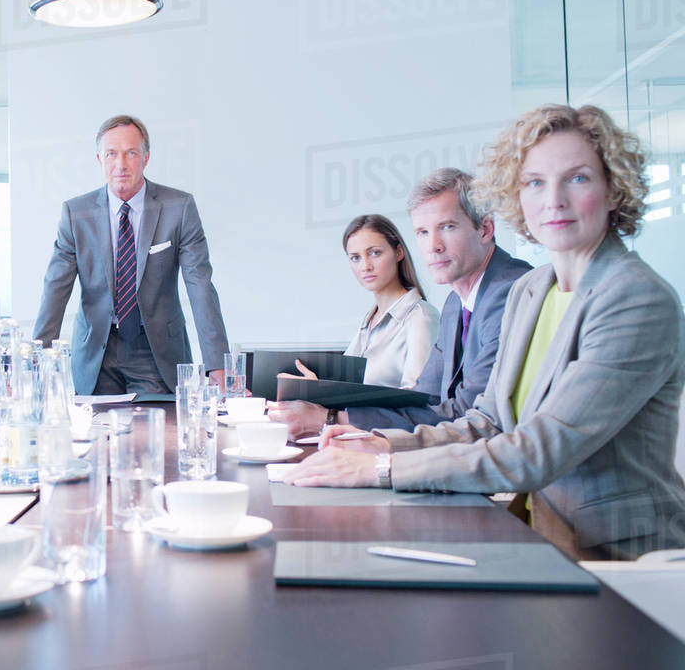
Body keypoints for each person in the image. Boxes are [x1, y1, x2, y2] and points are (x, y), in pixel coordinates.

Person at [282, 105, 685, 560]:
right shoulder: (533, 289)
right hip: (529, 528)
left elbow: (538, 451)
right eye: (535, 182)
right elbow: (486, 422)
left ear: (614, 190)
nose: (553, 200)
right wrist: (383, 442)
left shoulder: (635, 297)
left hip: (612, 554)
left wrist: (381, 466)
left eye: (577, 178)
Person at [273, 169, 531, 432]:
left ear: (485, 229)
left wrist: (329, 418)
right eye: (422, 232)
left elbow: (467, 411)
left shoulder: (511, 293)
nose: (433, 246)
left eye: (447, 227)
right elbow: (424, 397)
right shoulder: (455, 303)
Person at [32, 114, 230, 395]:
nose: (121, 165)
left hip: (156, 349)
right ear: (100, 160)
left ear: (146, 157)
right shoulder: (76, 214)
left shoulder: (179, 207)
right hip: (96, 351)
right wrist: (36, 360)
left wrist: (216, 364)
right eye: (111, 154)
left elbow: (200, 286)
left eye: (131, 153)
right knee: (97, 435)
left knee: (159, 434)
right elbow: (55, 288)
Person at [333, 214, 439, 389]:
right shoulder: (369, 320)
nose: (365, 266)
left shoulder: (420, 318)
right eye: (355, 257)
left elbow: (417, 399)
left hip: (383, 417)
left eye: (375, 253)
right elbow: (345, 383)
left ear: (398, 252)